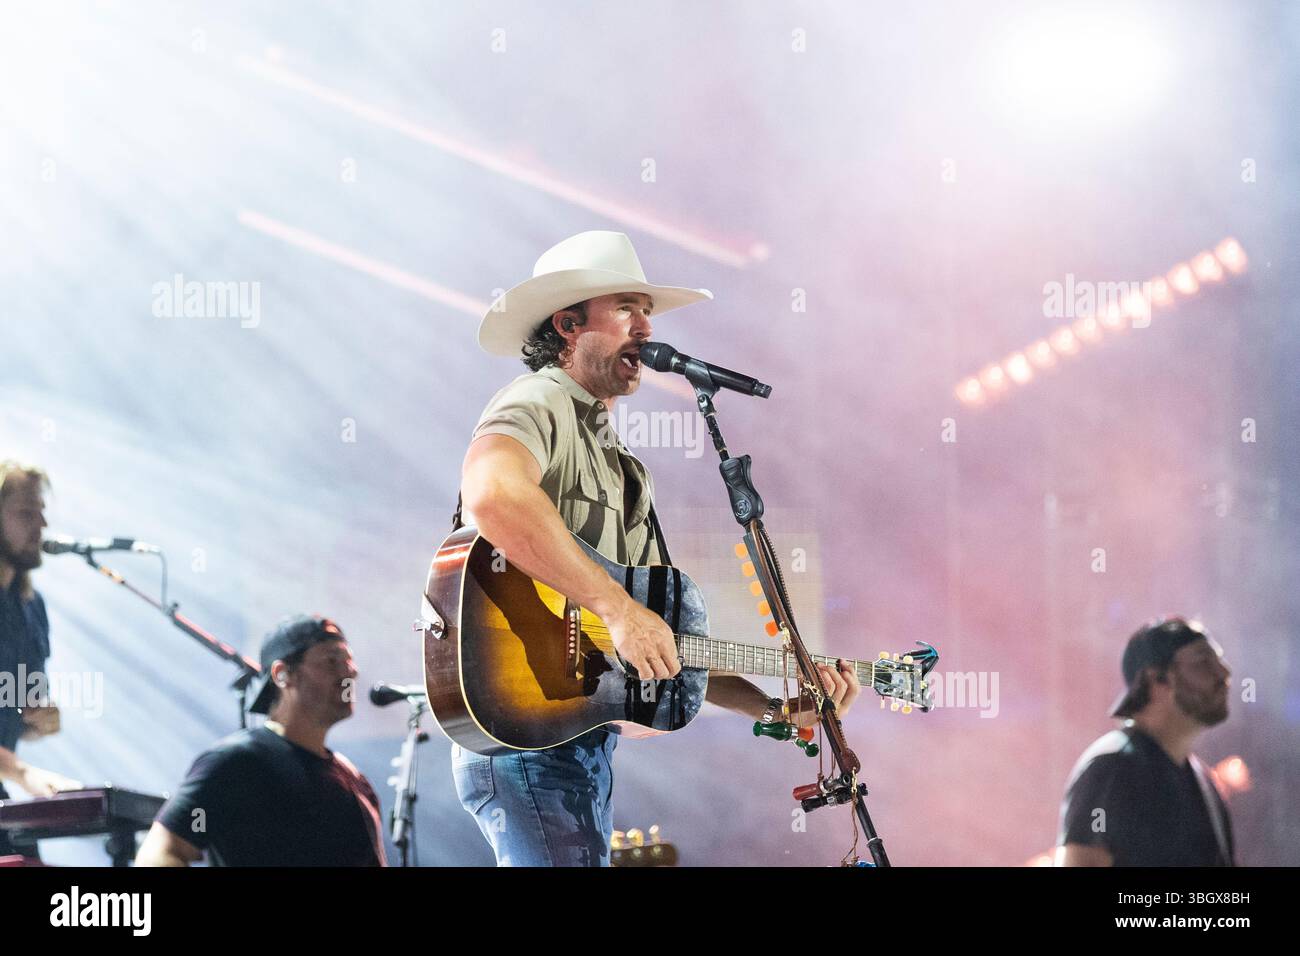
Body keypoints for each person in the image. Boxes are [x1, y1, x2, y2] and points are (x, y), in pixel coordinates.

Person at [453, 230, 861, 866]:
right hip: (525, 735)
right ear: (567, 325)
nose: (646, 327)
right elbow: (493, 495)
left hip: (575, 739)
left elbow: (663, 637)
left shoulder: (621, 464)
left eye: (647, 310)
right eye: (626, 309)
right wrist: (616, 609)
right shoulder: (541, 397)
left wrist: (778, 710)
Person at [135, 615, 386, 866]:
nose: (350, 672)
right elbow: (159, 855)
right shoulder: (237, 764)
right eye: (332, 661)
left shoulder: (353, 778)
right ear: (282, 674)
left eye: (349, 661)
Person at [1056, 617, 1235, 866]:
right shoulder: (1111, 770)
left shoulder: (1204, 783)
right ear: (1156, 679)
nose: (1224, 673)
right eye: (1204, 662)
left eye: (1219, 660)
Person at [0, 460, 82, 860]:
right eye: (26, 514)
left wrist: (39, 721)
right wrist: (22, 772)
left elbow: (19, 711)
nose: (42, 526)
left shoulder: (32, 607)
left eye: (42, 512)